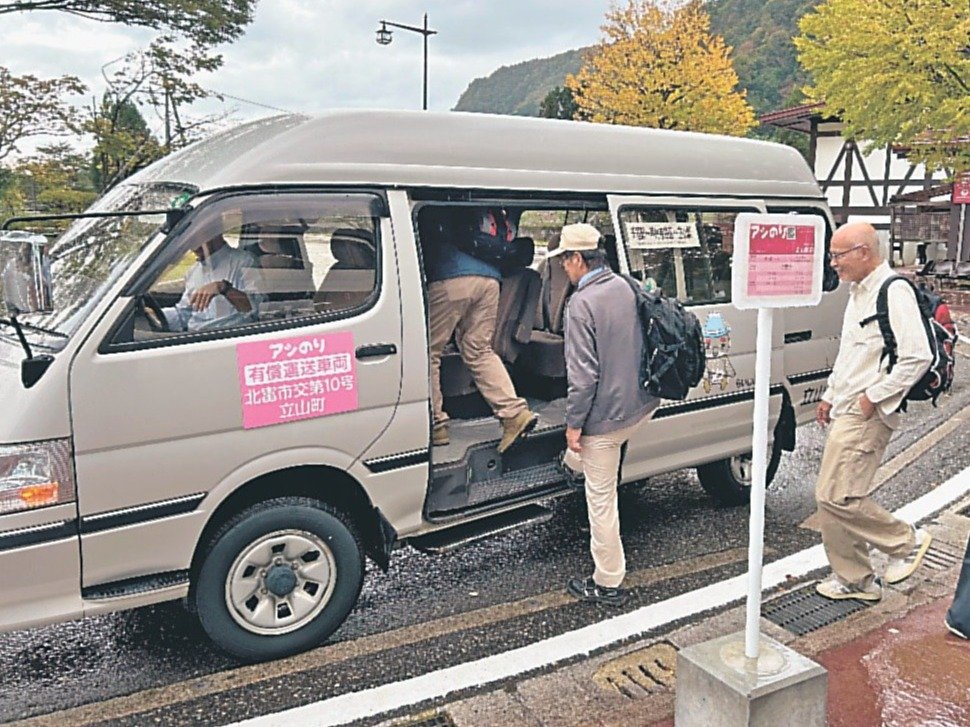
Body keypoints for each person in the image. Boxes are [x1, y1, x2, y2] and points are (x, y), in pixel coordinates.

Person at [814, 222, 935, 601]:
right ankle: (857, 581)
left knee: (838, 496)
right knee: (830, 497)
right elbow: (852, 351)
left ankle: (906, 542)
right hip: (846, 407)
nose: (833, 263)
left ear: (864, 251)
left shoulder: (893, 291)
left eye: (838, 255)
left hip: (867, 413)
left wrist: (873, 397)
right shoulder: (858, 292)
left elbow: (918, 355)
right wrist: (831, 394)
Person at [549, 223, 660, 607]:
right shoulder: (625, 285)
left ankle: (608, 582)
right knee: (599, 465)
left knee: (601, 500)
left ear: (578, 258)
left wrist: (574, 426)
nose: (563, 267)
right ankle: (573, 465)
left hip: (606, 419)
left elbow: (583, 379)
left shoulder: (581, 304)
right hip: (641, 406)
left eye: (565, 260)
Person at [426, 208, 537, 454]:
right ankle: (514, 414)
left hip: (451, 276)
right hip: (490, 280)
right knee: (479, 350)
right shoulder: (479, 225)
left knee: (428, 352)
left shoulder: (440, 217)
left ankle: (436, 425)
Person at [153, 234, 261, 332]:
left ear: (216, 234)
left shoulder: (244, 261)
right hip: (194, 338)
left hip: (229, 338)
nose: (193, 245)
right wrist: (155, 314)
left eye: (197, 237)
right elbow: (184, 314)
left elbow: (254, 309)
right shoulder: (193, 272)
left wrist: (224, 288)